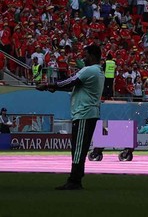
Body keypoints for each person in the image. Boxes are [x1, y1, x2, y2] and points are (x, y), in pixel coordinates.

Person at [40, 42, 104, 191]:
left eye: (86, 55)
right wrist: (54, 88)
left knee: (78, 148)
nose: (84, 58)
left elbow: (70, 81)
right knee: (79, 148)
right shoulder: (97, 71)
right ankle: (76, 179)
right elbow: (72, 85)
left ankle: (74, 180)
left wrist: (49, 85)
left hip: (84, 114)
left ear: (92, 56)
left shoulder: (89, 70)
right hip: (88, 113)